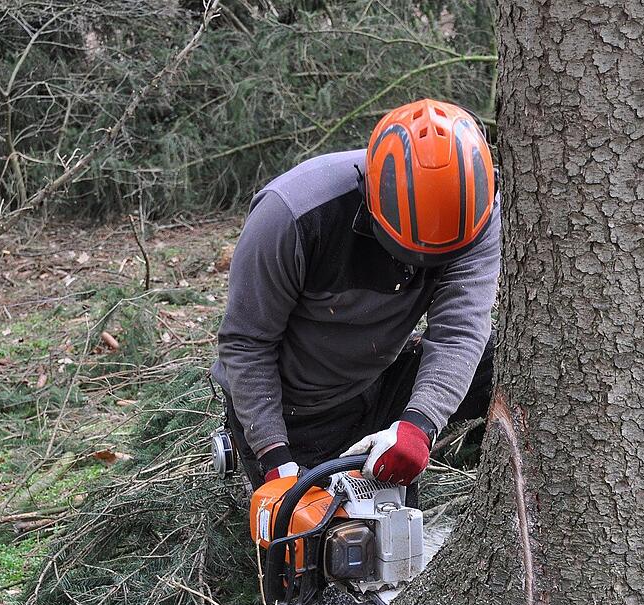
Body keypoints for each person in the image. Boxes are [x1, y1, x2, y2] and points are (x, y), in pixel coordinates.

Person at [211, 98, 499, 492]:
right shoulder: (293, 215)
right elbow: (246, 342)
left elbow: (460, 328)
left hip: (381, 373)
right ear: (372, 198)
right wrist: (274, 456)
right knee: (327, 537)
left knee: (505, 362)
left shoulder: (476, 209)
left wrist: (420, 424)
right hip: (297, 407)